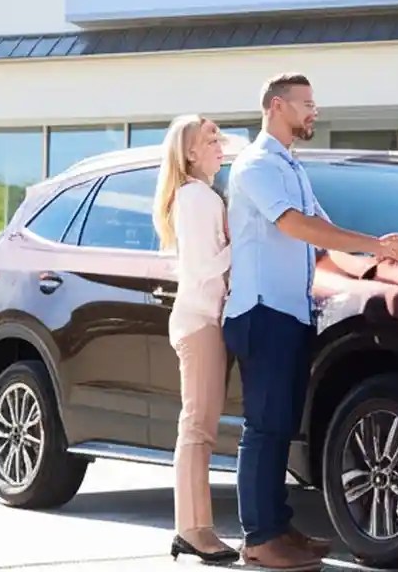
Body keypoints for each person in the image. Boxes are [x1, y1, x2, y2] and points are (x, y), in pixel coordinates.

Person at [224, 72, 398, 571]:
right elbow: (295, 226)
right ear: (276, 106)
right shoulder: (257, 164)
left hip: (291, 312)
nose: (314, 111)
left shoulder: (291, 168)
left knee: (281, 424)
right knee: (263, 427)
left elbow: (324, 241)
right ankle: (259, 538)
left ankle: (279, 527)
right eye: (306, 103)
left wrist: (380, 270)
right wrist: (372, 243)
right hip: (262, 313)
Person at [152, 114, 239, 566]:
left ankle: (195, 527)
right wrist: (243, 240)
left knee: (200, 426)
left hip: (204, 321)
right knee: (198, 427)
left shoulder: (202, 196)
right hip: (200, 321)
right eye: (210, 139)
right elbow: (205, 268)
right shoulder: (195, 197)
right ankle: (193, 529)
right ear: (189, 152)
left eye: (219, 137)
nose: (219, 144)